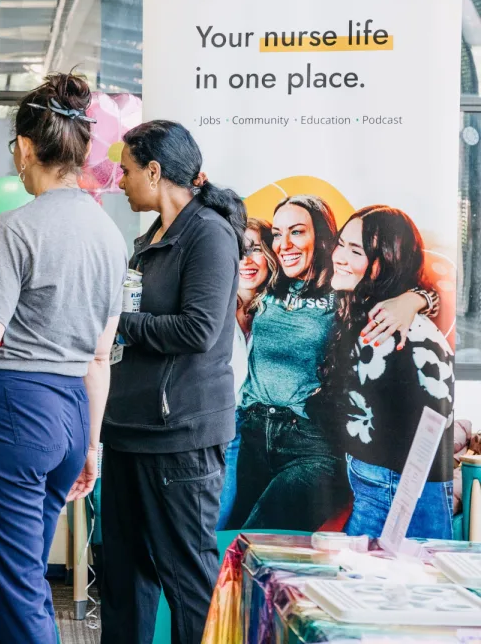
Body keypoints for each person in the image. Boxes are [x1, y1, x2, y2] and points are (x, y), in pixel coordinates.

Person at [0, 73, 126, 644]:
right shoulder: (109, 235)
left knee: (18, 595)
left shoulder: (12, 229)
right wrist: (90, 445)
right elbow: (100, 355)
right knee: (25, 583)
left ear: (24, 148)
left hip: (12, 417)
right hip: (70, 415)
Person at [101, 119, 243, 644]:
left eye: (127, 169)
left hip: (179, 437)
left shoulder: (208, 233)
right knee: (122, 579)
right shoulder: (149, 238)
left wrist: (116, 322)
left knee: (188, 582)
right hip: (129, 430)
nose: (119, 179)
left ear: (155, 172)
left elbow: (200, 329)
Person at [227, 195, 436, 531]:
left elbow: (398, 287)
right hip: (251, 437)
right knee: (237, 547)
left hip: (310, 443)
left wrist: (418, 298)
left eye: (297, 232)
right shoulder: (269, 284)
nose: (284, 244)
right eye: (277, 234)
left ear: (322, 237)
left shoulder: (344, 290)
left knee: (254, 538)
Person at [323, 206, 454, 539]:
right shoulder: (361, 306)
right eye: (342, 244)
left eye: (357, 250)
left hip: (397, 488)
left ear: (387, 262)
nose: (339, 256)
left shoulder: (400, 326)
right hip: (371, 479)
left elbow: (430, 429)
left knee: (416, 585)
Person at [217, 218, 278, 530]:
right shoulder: (212, 305)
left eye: (257, 249)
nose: (248, 260)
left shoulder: (279, 310)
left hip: (261, 435)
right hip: (214, 428)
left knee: (239, 526)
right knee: (213, 521)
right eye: (239, 251)